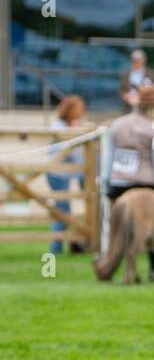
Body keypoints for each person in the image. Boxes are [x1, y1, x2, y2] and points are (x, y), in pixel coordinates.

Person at [102, 83, 154, 277]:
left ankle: (108, 264)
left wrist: (105, 183)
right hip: (147, 186)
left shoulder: (117, 125)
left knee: (116, 230)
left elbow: (107, 158)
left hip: (118, 186)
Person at [47, 94, 88, 254]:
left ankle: (78, 242)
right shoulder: (59, 126)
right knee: (63, 211)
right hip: (58, 174)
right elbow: (69, 150)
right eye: (80, 109)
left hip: (72, 172)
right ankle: (55, 249)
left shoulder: (75, 125)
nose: (82, 111)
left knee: (90, 202)